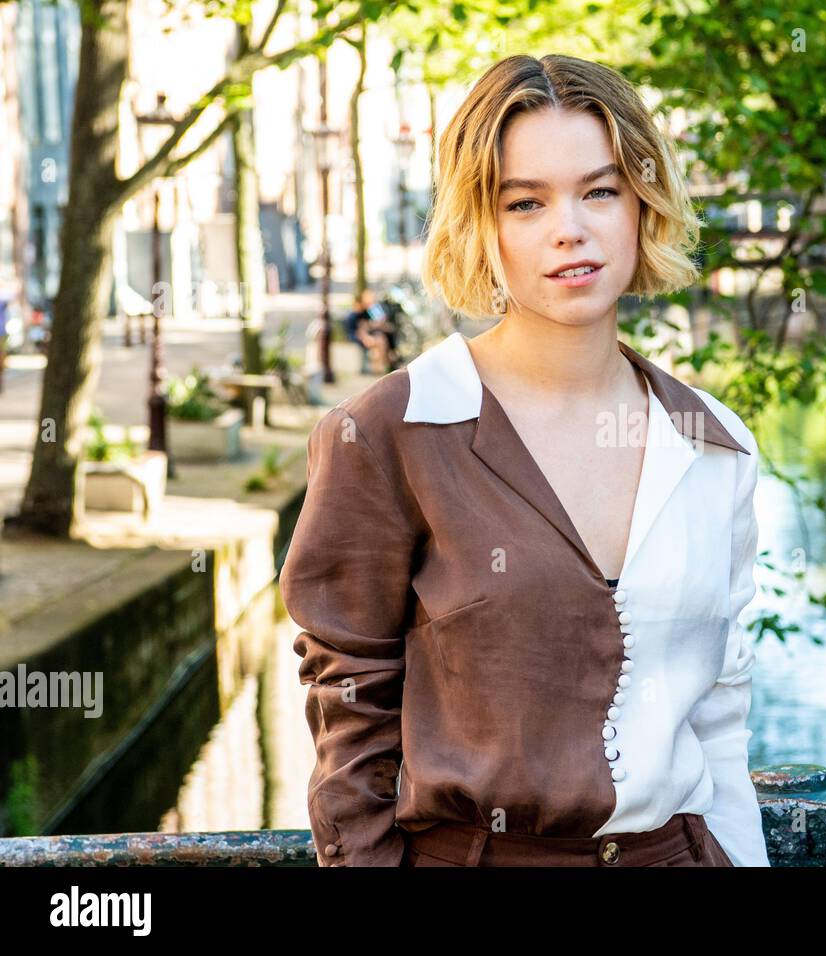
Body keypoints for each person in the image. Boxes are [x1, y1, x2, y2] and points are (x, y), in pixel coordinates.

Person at [279, 53, 769, 868]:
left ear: (644, 203)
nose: (569, 229)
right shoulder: (394, 432)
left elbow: (719, 717)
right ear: (482, 222)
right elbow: (349, 715)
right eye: (525, 202)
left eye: (600, 191)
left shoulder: (714, 444)